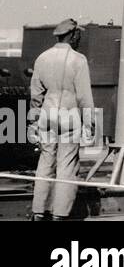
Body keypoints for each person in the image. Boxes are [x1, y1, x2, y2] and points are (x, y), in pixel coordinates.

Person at [27, 19, 95, 220]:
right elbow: (84, 97)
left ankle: (39, 212)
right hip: (69, 116)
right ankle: (60, 214)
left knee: (45, 163)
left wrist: (33, 123)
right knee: (67, 167)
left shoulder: (42, 58)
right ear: (73, 35)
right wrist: (90, 125)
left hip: (47, 115)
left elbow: (36, 95)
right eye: (78, 35)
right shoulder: (78, 60)